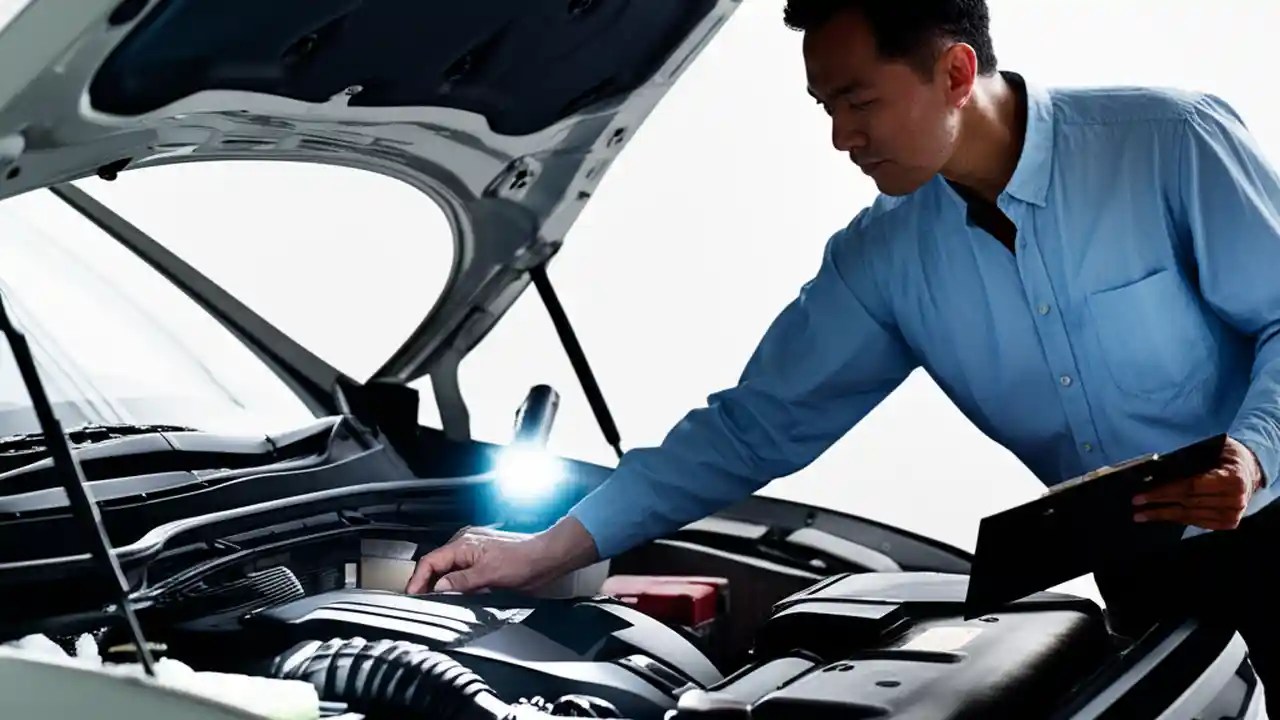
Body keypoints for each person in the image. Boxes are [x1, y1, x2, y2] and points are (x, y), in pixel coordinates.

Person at [407, 0, 1280, 707]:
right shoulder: (883, 257)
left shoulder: (1165, 142)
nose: (840, 137)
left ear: (955, 72)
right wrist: (543, 549)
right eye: (827, 108)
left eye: (859, 101)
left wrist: (1254, 454)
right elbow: (751, 429)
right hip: (1139, 570)